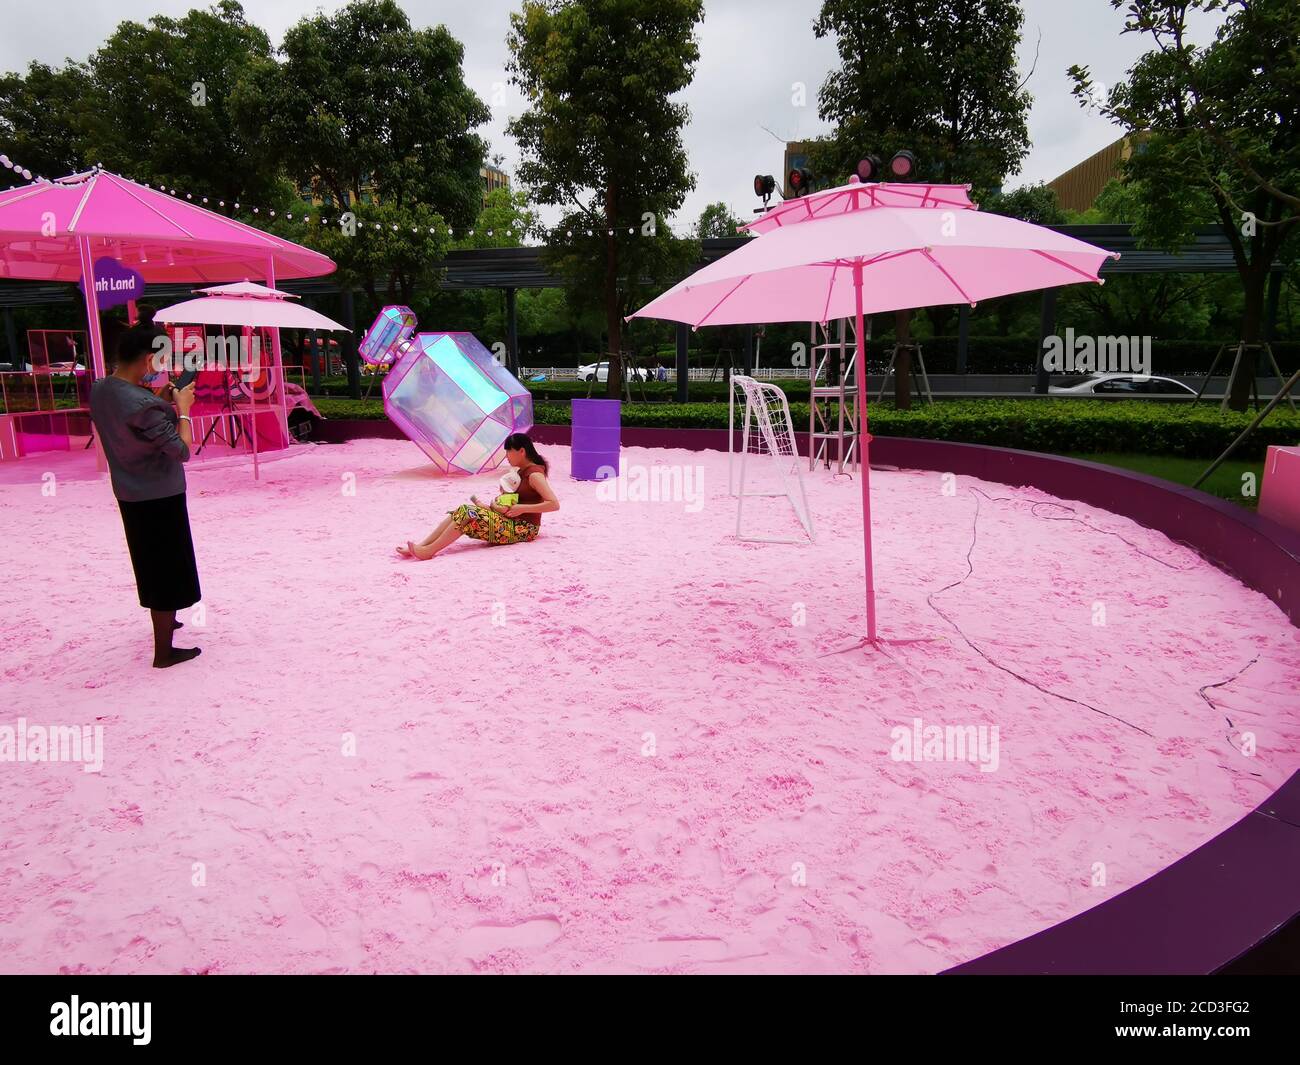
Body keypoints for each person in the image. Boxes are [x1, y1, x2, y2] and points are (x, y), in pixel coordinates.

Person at [89, 325, 203, 668]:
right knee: (167, 567)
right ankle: (164, 652)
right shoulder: (142, 404)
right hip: (160, 495)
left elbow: (135, 419)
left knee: (150, 562)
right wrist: (183, 409)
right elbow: (181, 449)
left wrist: (162, 401)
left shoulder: (102, 389)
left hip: (130, 492)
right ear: (149, 358)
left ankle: (166, 619)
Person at [396, 433, 559, 560]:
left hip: (524, 529)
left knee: (468, 512)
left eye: (509, 451)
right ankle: (423, 546)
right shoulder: (519, 472)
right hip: (511, 521)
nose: (507, 456)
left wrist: (520, 508)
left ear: (521, 451)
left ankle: (429, 551)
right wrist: (496, 504)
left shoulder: (534, 474)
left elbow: (553, 504)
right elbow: (515, 502)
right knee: (463, 510)